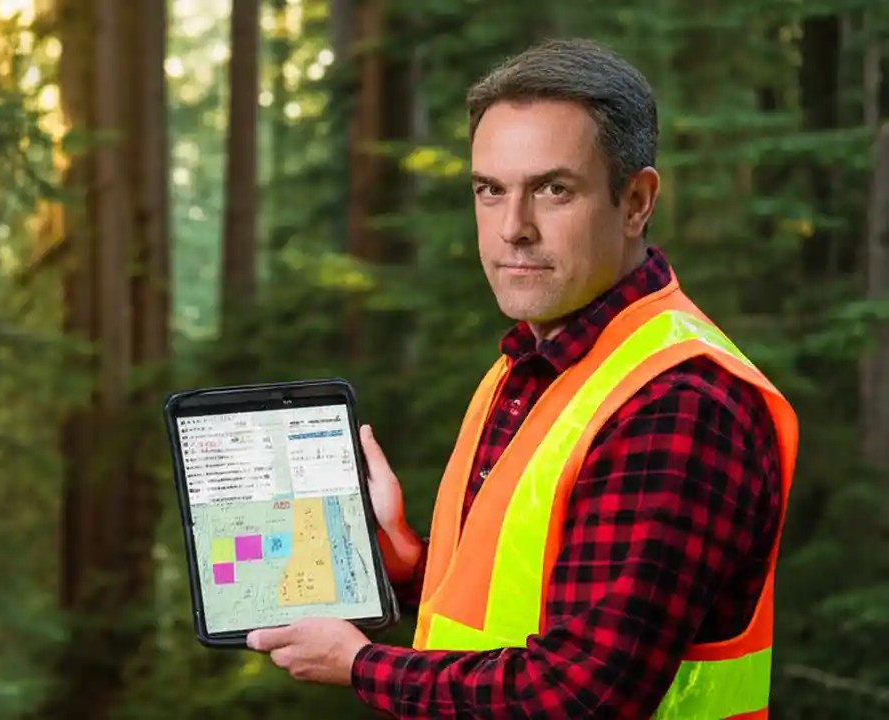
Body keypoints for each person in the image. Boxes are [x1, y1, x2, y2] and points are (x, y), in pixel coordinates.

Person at [245, 38, 798, 719]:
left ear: (635, 201)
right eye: (490, 190)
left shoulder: (678, 401)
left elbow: (583, 693)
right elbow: (524, 609)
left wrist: (360, 665)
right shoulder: (531, 366)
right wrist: (402, 563)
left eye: (553, 190)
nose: (513, 229)